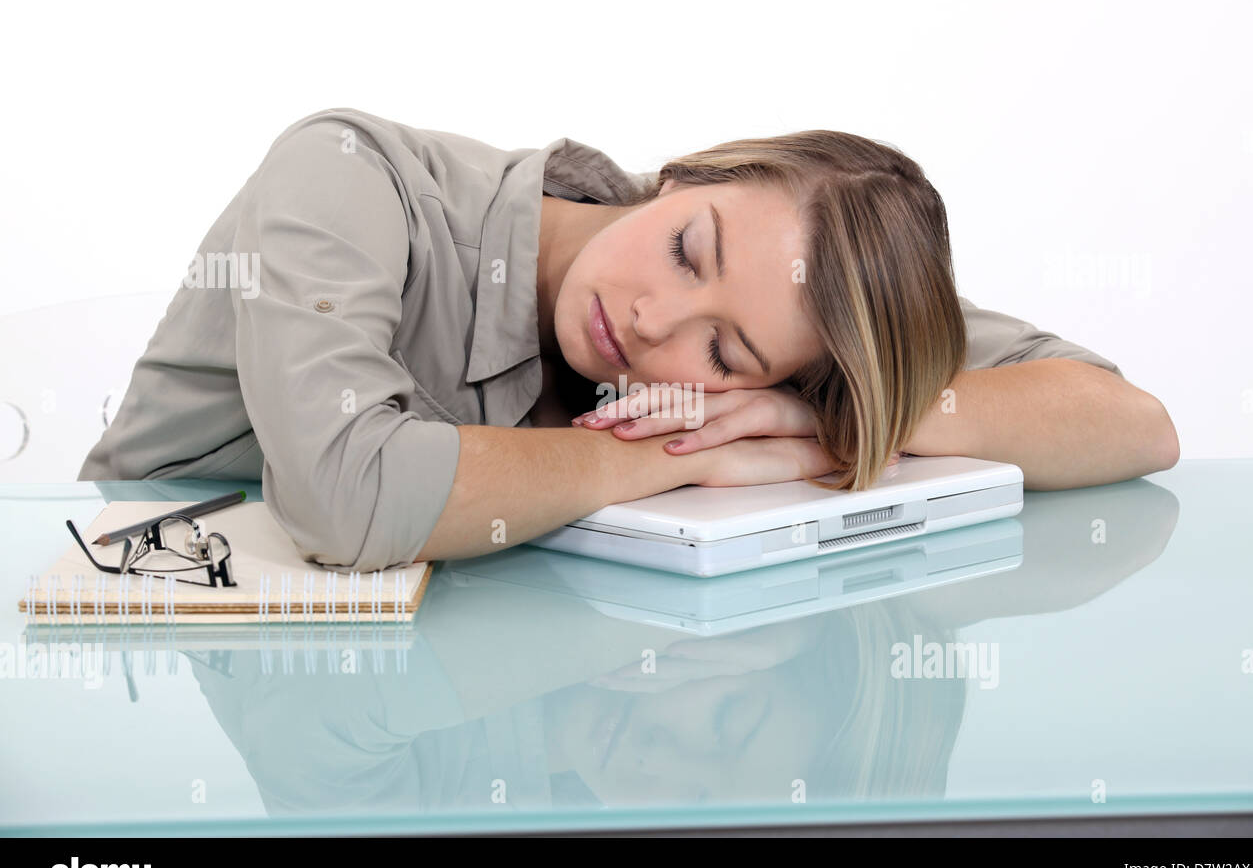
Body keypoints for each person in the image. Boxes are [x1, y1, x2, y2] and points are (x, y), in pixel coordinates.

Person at [78, 108, 1178, 573]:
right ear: (690, 170)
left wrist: (817, 417)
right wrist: (682, 450)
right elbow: (344, 496)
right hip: (153, 640)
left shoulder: (791, 306)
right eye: (689, 251)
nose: (656, 320)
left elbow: (1131, 422)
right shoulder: (351, 175)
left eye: (729, 356)